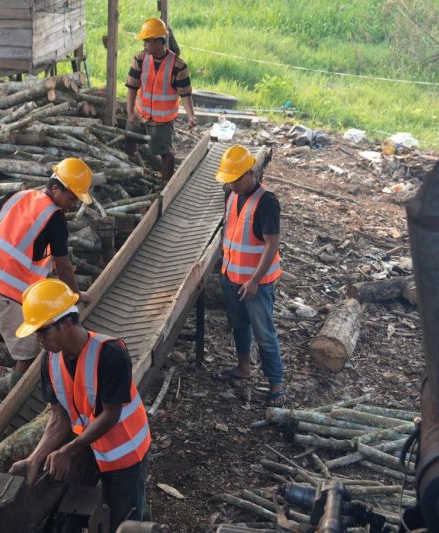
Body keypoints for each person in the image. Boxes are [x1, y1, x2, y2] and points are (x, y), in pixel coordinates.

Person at [0, 158, 95, 387]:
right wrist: (76, 296)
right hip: (7, 292)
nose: (72, 205)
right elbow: (63, 267)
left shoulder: (16, 195)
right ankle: (14, 404)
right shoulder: (55, 218)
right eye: (71, 198)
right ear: (55, 189)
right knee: (27, 354)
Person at [10, 279, 150, 532]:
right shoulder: (50, 361)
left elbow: (111, 415)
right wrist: (35, 458)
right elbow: (59, 417)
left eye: (42, 331)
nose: (39, 339)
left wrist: (69, 451)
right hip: (90, 447)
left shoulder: (111, 354)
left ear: (66, 323)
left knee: (126, 520)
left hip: (125, 451)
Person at [213, 145, 286, 406]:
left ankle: (276, 384)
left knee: (264, 332)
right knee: (239, 324)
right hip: (231, 276)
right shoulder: (232, 195)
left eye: (236, 180)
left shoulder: (267, 202)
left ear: (250, 173)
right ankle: (243, 367)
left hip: (257, 283)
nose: (232, 185)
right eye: (229, 180)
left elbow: (272, 244)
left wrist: (254, 280)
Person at [125, 17, 198, 182]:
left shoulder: (178, 66)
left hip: (162, 120)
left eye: (148, 41)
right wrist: (130, 111)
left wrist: (191, 115)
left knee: (166, 153)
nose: (144, 45)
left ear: (159, 42)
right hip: (140, 112)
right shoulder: (140, 59)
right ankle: (132, 169)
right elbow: (132, 86)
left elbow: (185, 93)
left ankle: (166, 184)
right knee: (129, 139)